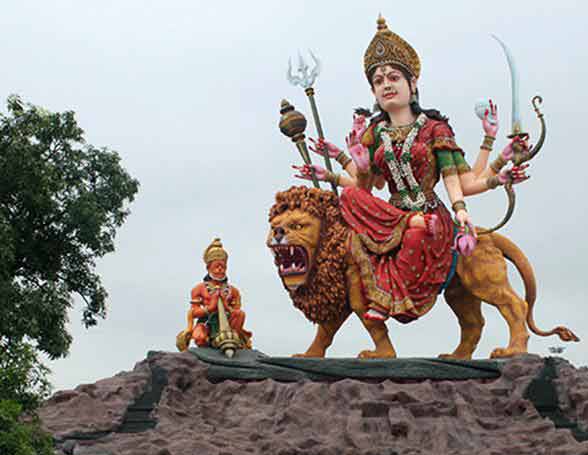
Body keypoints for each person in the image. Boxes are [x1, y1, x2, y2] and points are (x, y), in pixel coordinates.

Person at [295, 15, 529, 325]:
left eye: (393, 77)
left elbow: (454, 179)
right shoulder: (374, 133)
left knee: (418, 228)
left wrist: (462, 209)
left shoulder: (434, 128)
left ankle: (389, 297)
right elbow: (368, 187)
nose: (386, 85)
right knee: (349, 198)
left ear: (412, 82)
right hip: (393, 216)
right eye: (378, 81)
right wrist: (350, 166)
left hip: (429, 214)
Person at [177, 238, 252, 351]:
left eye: (223, 266)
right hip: (207, 321)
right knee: (199, 337)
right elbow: (193, 312)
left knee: (240, 314)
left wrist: (226, 307)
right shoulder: (199, 289)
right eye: (216, 266)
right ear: (208, 268)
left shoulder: (233, 291)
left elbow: (236, 311)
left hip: (228, 324)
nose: (220, 269)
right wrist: (210, 307)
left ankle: (232, 339)